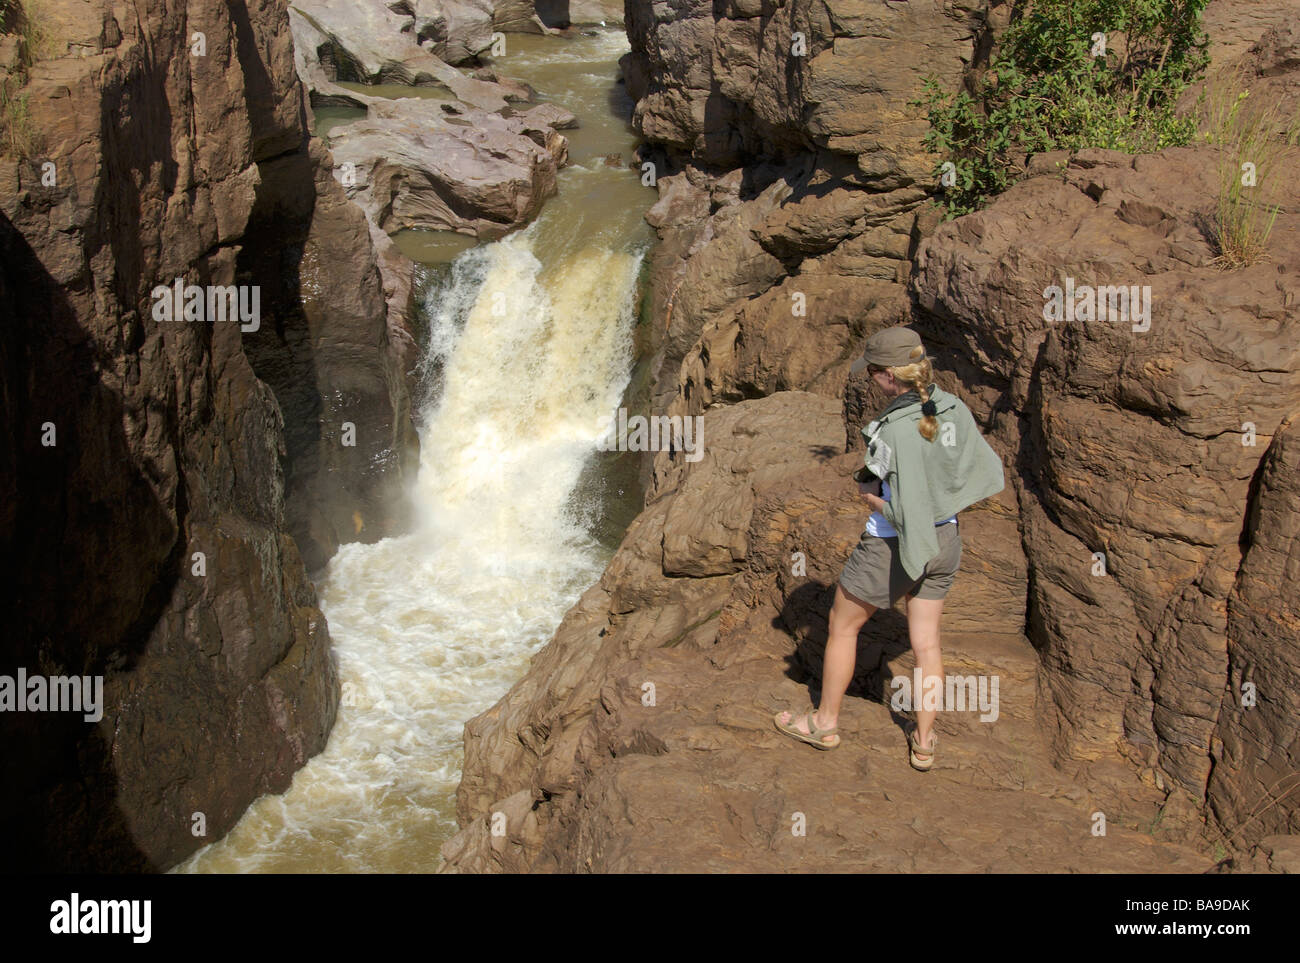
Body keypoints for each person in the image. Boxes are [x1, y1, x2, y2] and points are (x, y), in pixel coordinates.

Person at [775, 325, 1004, 770]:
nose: (870, 379)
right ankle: (923, 741)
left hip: (892, 547)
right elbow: (977, 469)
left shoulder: (891, 429)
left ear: (886, 377)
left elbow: (887, 494)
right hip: (945, 539)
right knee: (928, 645)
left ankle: (824, 723)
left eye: (873, 373)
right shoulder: (954, 409)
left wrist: (872, 498)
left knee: (842, 628)